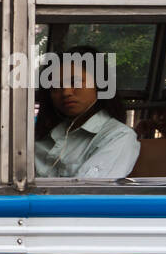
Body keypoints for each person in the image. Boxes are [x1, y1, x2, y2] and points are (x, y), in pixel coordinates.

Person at [35, 45, 139, 179]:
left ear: (100, 84)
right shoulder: (45, 134)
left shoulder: (118, 136)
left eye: (75, 82)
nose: (66, 92)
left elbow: (87, 191)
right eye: (55, 87)